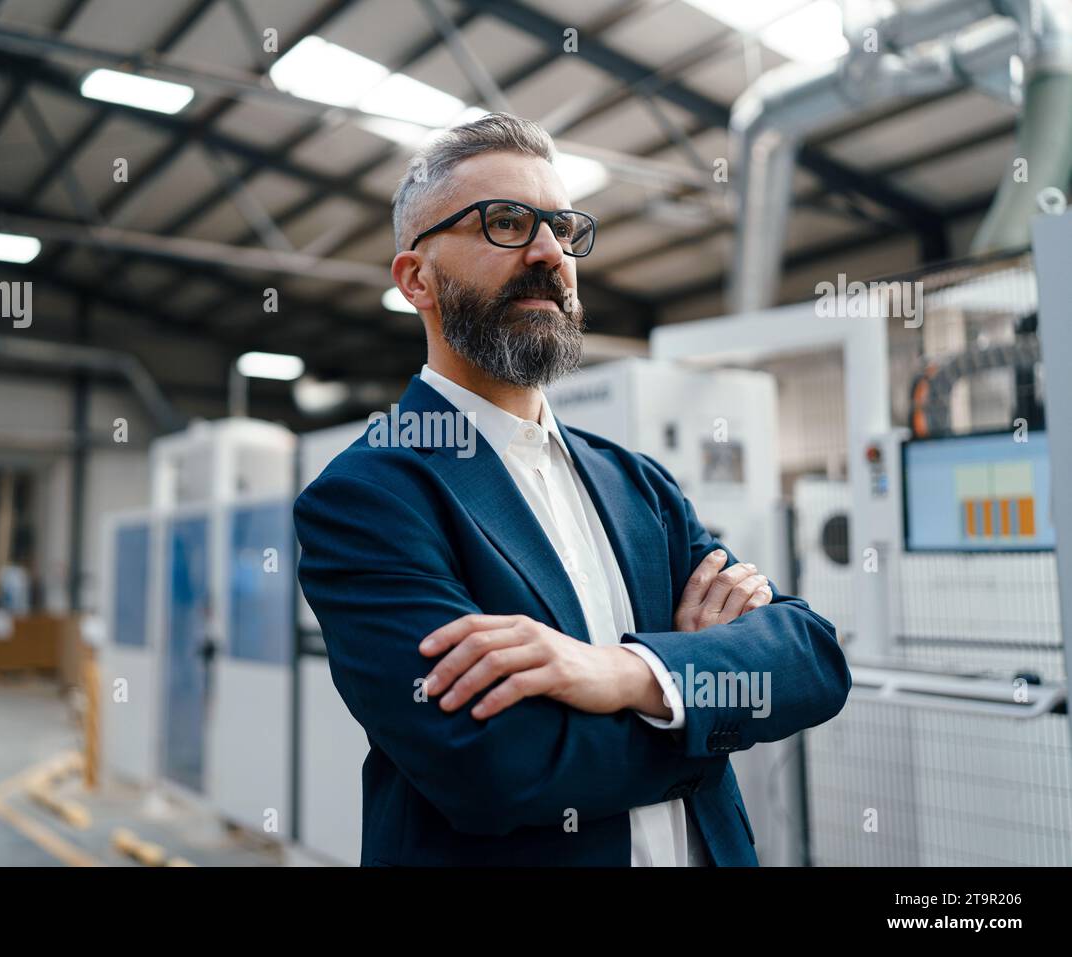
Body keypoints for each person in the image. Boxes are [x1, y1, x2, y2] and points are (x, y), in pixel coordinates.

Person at [294, 112, 850, 867]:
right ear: (416, 279)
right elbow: (493, 766)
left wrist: (626, 673)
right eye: (505, 222)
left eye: (562, 227)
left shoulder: (635, 483)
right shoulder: (368, 496)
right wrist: (700, 713)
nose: (550, 252)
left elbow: (812, 661)